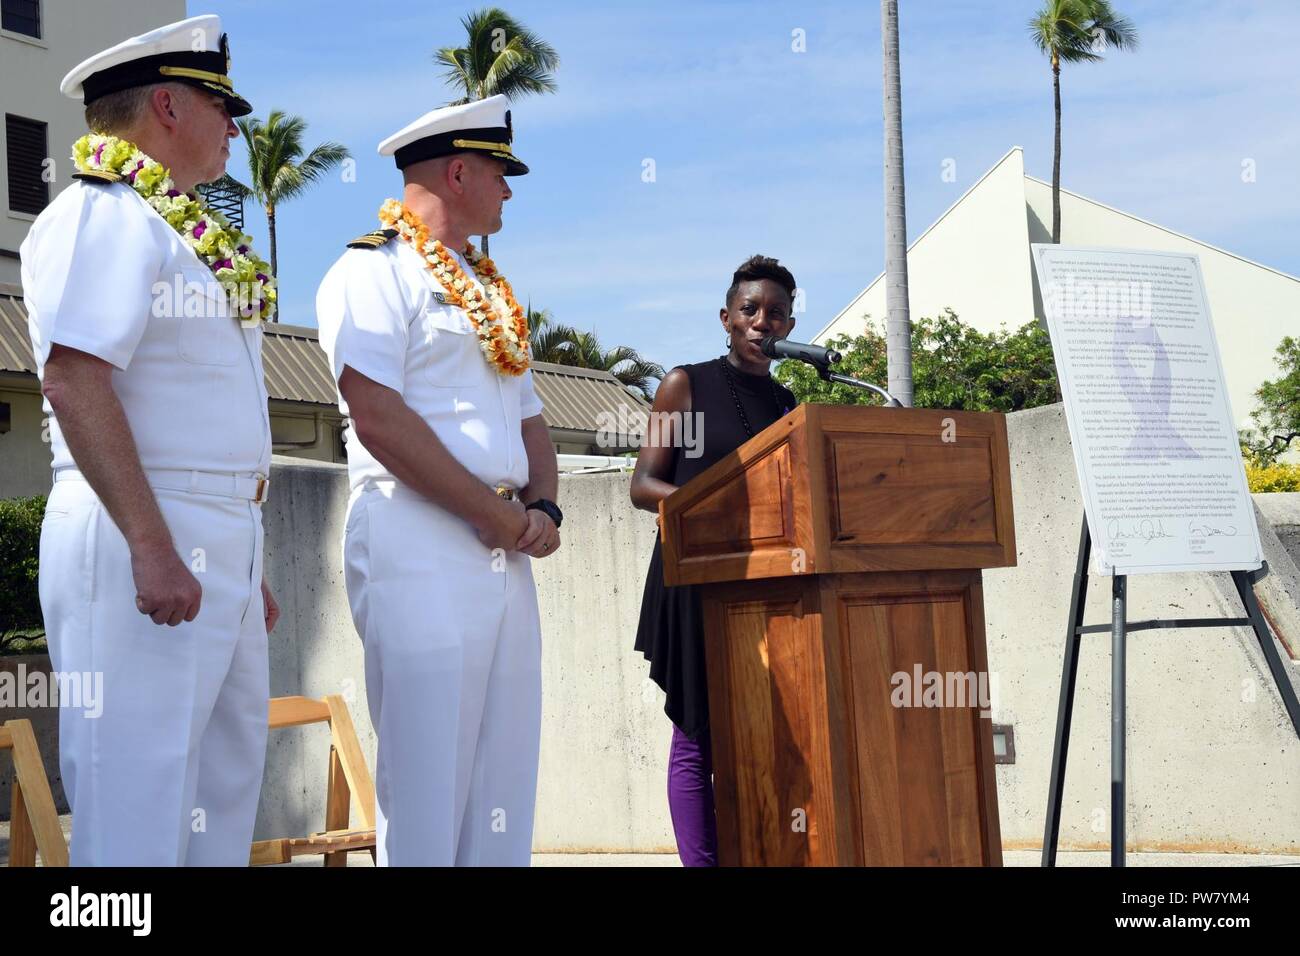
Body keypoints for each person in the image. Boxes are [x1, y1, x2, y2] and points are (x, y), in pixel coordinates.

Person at [21, 14, 278, 866]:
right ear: (167, 105)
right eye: (222, 105)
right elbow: (73, 380)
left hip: (213, 537)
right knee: (134, 812)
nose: (235, 128)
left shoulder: (178, 231)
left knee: (219, 796)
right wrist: (151, 543)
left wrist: (247, 570)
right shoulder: (104, 215)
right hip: (143, 525)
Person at [316, 94, 560, 866]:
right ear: (458, 171)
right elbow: (378, 417)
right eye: (501, 172)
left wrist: (544, 505)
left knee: (503, 773)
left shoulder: (490, 288)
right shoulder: (371, 270)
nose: (510, 191)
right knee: (428, 781)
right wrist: (487, 515)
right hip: (417, 533)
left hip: (505, 545)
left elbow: (530, 415)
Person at [630, 254, 800, 866]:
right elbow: (645, 485)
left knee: (751, 730)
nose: (762, 321)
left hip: (758, 580)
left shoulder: (786, 404)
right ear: (726, 317)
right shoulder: (687, 384)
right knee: (698, 734)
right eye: (750, 309)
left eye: (776, 313)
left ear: (788, 325)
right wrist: (719, 515)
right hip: (695, 576)